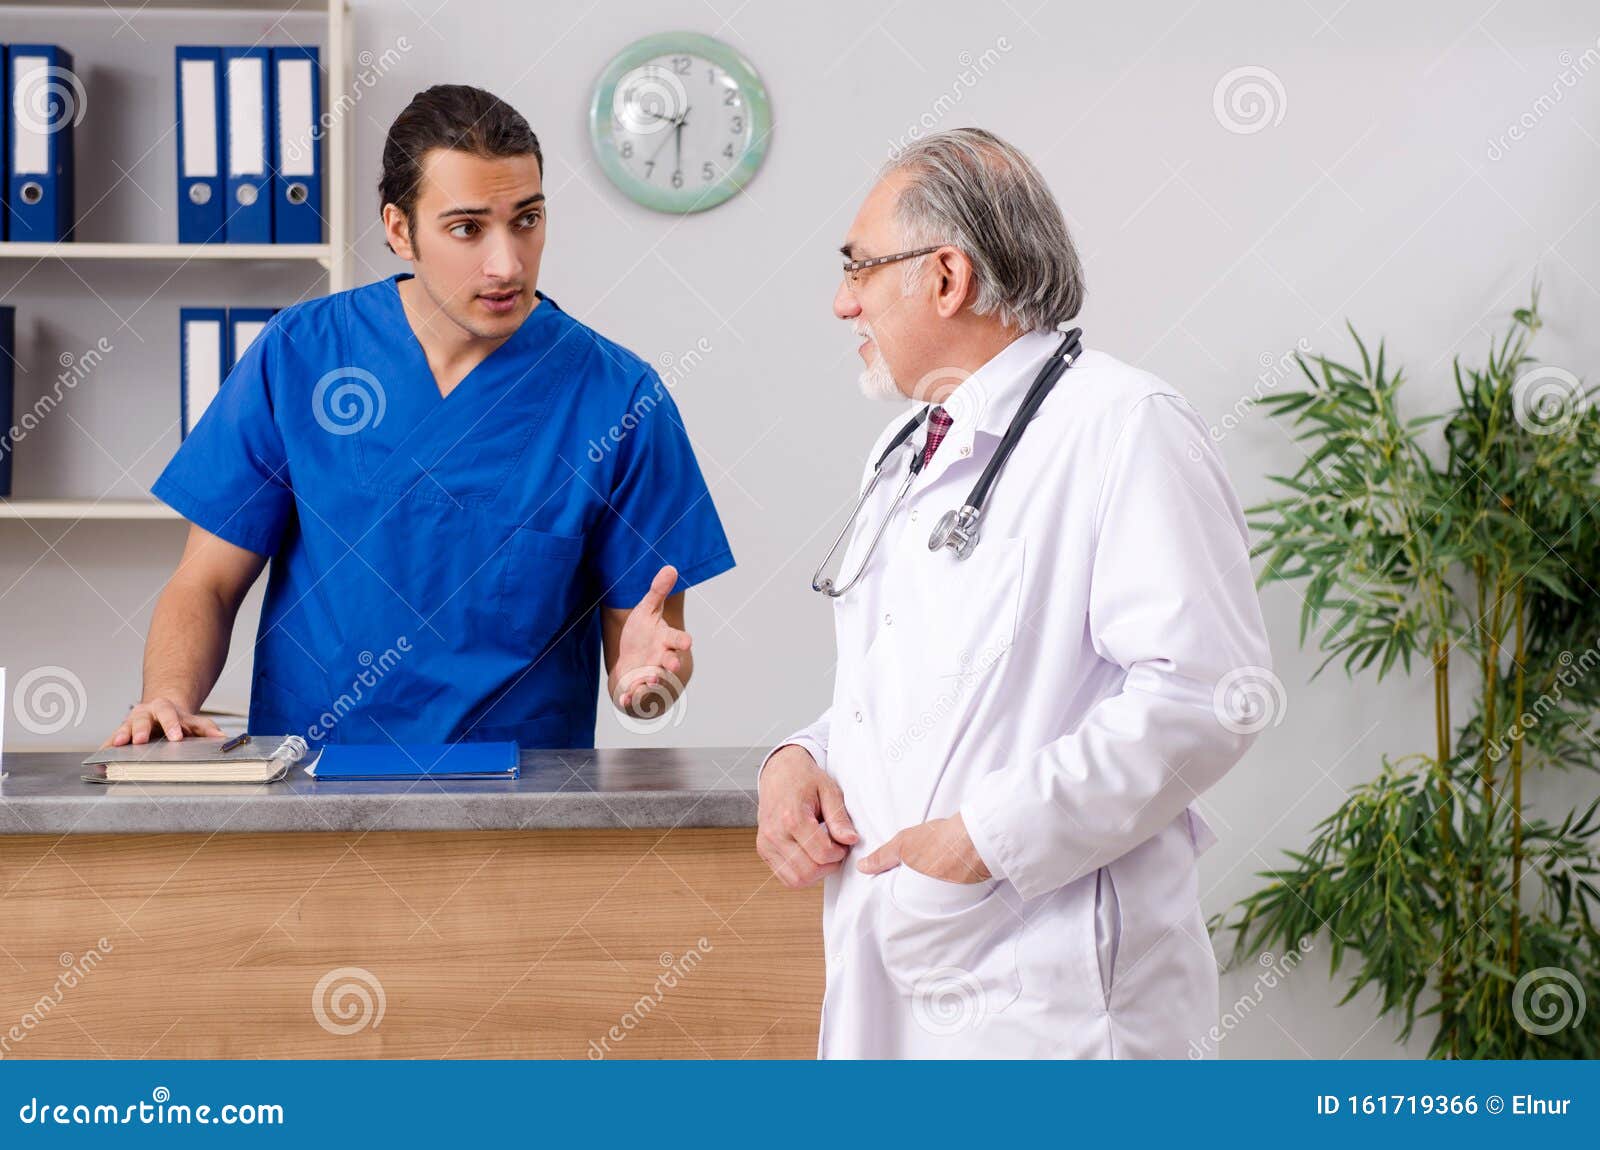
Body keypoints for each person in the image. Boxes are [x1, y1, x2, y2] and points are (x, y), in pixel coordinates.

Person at [756, 128, 1273, 1058]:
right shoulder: (910, 446)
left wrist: (984, 839)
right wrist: (801, 755)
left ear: (945, 277)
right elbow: (913, 682)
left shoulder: (1123, 428)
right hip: (904, 962)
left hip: (1049, 994)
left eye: (859, 269)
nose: (843, 303)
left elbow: (1209, 696)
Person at [105, 85, 734, 749]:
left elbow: (642, 664)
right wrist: (167, 697)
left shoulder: (620, 399)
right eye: (467, 228)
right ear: (400, 230)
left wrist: (648, 684)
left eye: (526, 220)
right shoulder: (301, 355)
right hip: (309, 793)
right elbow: (205, 583)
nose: (507, 263)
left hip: (524, 812)